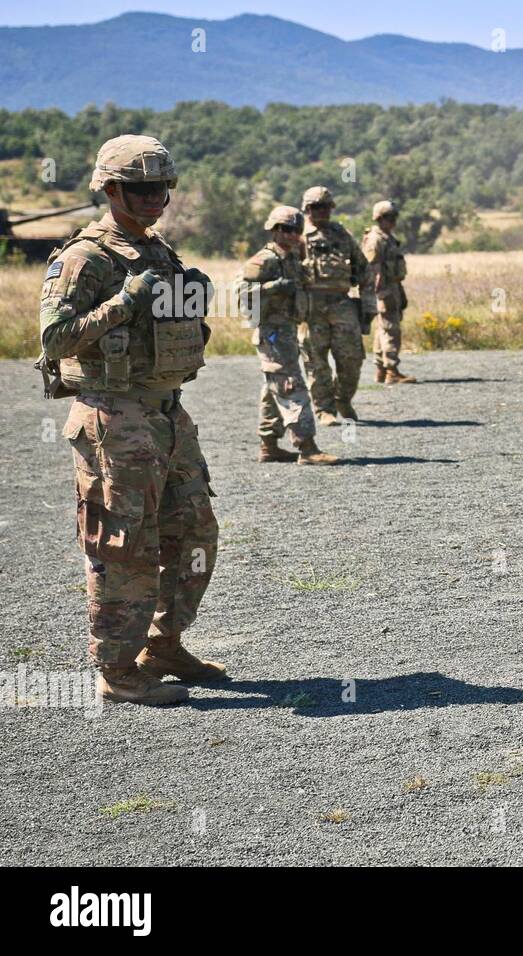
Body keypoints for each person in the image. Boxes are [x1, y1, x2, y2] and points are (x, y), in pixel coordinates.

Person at [37, 134, 224, 705]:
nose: (154, 198)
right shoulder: (84, 258)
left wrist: (191, 304)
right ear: (110, 189)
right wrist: (124, 301)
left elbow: (176, 332)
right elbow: (54, 337)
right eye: (140, 188)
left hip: (166, 411)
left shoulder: (158, 251)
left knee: (193, 532)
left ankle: (163, 644)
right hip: (113, 418)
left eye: (162, 188)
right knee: (124, 543)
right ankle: (117, 670)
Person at [241, 205, 339, 465]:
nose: (291, 234)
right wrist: (274, 287)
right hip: (272, 333)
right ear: (274, 230)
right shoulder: (264, 260)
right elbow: (243, 294)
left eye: (296, 230)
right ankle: (307, 447)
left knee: (274, 388)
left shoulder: (292, 258)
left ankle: (268, 445)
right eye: (285, 229)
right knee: (291, 385)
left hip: (287, 331)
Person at [299, 186, 373, 424]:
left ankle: (343, 398)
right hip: (311, 308)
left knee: (352, 358)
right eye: (316, 207)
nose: (321, 212)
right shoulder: (297, 236)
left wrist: (368, 307)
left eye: (326, 207)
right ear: (307, 209)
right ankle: (324, 409)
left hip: (342, 304)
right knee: (316, 361)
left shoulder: (342, 235)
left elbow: (363, 270)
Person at [362, 200, 416, 384]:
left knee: (383, 329)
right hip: (384, 289)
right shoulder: (376, 239)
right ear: (379, 218)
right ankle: (391, 370)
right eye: (389, 218)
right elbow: (373, 269)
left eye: (394, 217)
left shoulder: (387, 237)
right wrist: (380, 293)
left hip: (392, 286)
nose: (393, 221)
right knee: (391, 329)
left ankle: (382, 370)